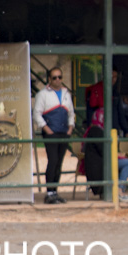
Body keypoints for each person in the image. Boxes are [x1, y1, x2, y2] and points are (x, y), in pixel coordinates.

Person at [32, 66, 75, 204]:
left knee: (59, 162)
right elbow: (37, 113)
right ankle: (49, 192)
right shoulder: (42, 94)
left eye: (60, 77)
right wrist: (46, 129)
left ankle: (55, 191)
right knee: (53, 160)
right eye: (54, 77)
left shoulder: (66, 94)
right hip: (51, 133)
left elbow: (71, 113)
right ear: (49, 79)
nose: (58, 80)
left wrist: (70, 128)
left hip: (63, 132)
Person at [82, 106, 128, 199]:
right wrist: (116, 154)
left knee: (123, 163)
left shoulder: (92, 131)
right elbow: (105, 152)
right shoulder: (97, 132)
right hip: (101, 165)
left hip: (100, 164)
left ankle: (117, 189)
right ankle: (119, 190)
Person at [86, 67, 128, 135]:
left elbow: (120, 113)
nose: (113, 79)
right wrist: (89, 124)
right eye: (111, 76)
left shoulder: (115, 93)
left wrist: (126, 131)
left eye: (115, 77)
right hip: (98, 128)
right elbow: (90, 109)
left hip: (113, 129)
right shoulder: (95, 90)